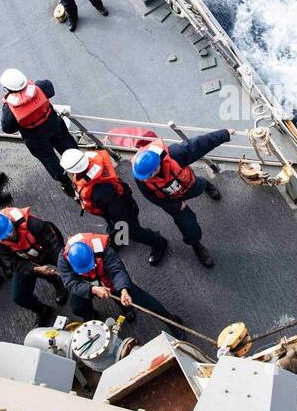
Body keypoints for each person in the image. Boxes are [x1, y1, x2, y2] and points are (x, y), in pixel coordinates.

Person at [132, 129, 232, 267]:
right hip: (172, 200)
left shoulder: (175, 154)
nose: (146, 179)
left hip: (189, 185)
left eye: (150, 175)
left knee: (200, 185)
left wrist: (225, 133)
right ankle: (196, 244)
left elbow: (199, 144)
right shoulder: (141, 176)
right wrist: (175, 206)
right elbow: (151, 197)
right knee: (188, 225)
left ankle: (206, 185)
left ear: (157, 166)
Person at [57, 231, 185, 339]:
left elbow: (116, 269)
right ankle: (92, 316)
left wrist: (124, 290)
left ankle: (171, 320)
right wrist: (92, 289)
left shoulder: (101, 247)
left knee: (140, 299)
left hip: (107, 278)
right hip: (88, 284)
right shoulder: (64, 258)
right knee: (77, 306)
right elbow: (70, 282)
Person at [61, 147, 168, 265]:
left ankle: (158, 242)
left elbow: (119, 213)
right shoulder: (91, 162)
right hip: (113, 204)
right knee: (113, 225)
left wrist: (122, 226)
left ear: (75, 171)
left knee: (134, 232)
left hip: (120, 208)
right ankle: (120, 239)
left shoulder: (100, 190)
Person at [0, 68, 76, 196]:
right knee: (67, 145)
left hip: (35, 137)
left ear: (6, 89)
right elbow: (50, 88)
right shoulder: (40, 87)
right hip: (53, 124)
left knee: (49, 159)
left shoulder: (9, 108)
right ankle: (80, 169)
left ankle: (65, 182)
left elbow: (7, 128)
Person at [0, 207, 69, 324]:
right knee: (19, 296)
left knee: (69, 265)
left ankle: (63, 283)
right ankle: (42, 310)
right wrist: (35, 268)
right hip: (26, 259)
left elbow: (54, 245)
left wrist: (64, 267)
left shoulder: (33, 224)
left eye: (10, 232)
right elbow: (12, 262)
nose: (10, 237)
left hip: (46, 250)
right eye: (6, 237)